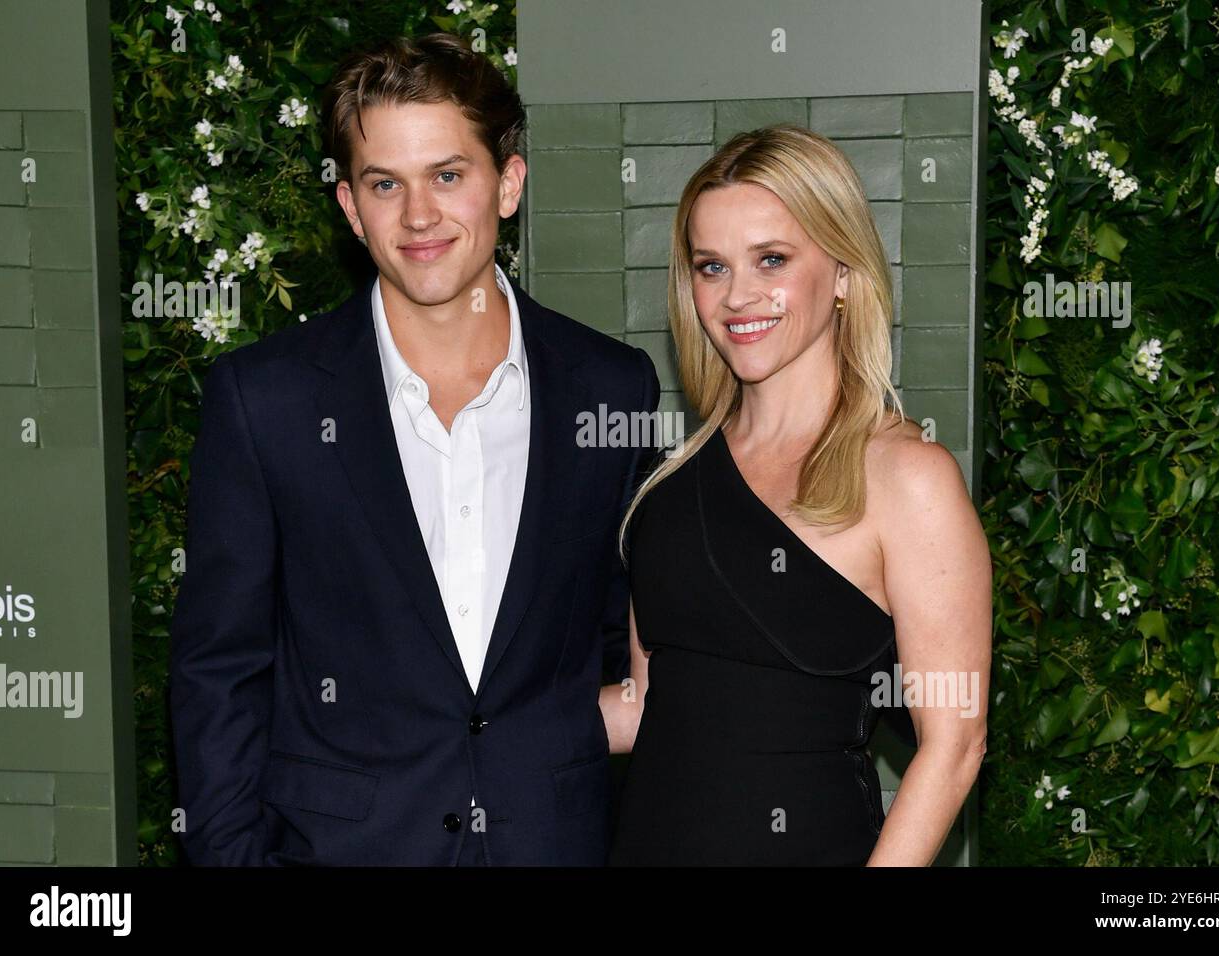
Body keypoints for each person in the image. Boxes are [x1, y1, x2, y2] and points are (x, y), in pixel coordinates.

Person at [169, 33, 660, 866]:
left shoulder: (610, 388)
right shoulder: (267, 400)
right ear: (352, 209)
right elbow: (219, 671)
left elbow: (617, 637)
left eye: (447, 175)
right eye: (385, 184)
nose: (419, 215)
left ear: (507, 183)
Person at [601, 124, 990, 866]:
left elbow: (956, 743)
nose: (737, 295)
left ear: (843, 271)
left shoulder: (909, 477)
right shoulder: (672, 484)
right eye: (711, 267)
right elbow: (644, 704)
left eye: (771, 260)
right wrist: (459, 724)